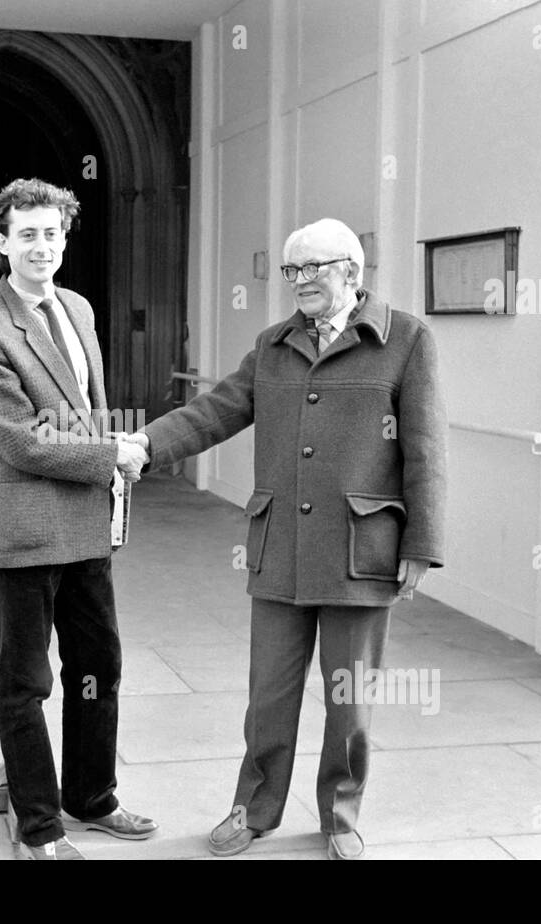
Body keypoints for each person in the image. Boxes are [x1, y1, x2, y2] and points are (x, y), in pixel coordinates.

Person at [125, 218, 447, 860]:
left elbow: (427, 449)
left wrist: (420, 545)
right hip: (279, 546)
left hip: (363, 550)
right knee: (268, 696)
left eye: (313, 268)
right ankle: (253, 811)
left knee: (347, 701)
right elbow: (216, 409)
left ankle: (341, 815)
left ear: (352, 273)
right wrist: (145, 443)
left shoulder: (407, 340)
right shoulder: (273, 344)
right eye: (291, 270)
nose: (299, 281)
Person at [0, 178, 156, 860]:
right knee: (27, 680)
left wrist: (106, 463)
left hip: (86, 522)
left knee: (98, 663)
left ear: (66, 239)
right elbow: (21, 439)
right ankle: (41, 828)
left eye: (52, 232)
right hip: (28, 529)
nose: (42, 244)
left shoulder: (79, 308)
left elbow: (85, 408)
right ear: (3, 242)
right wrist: (113, 452)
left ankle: (91, 797)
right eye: (27, 233)